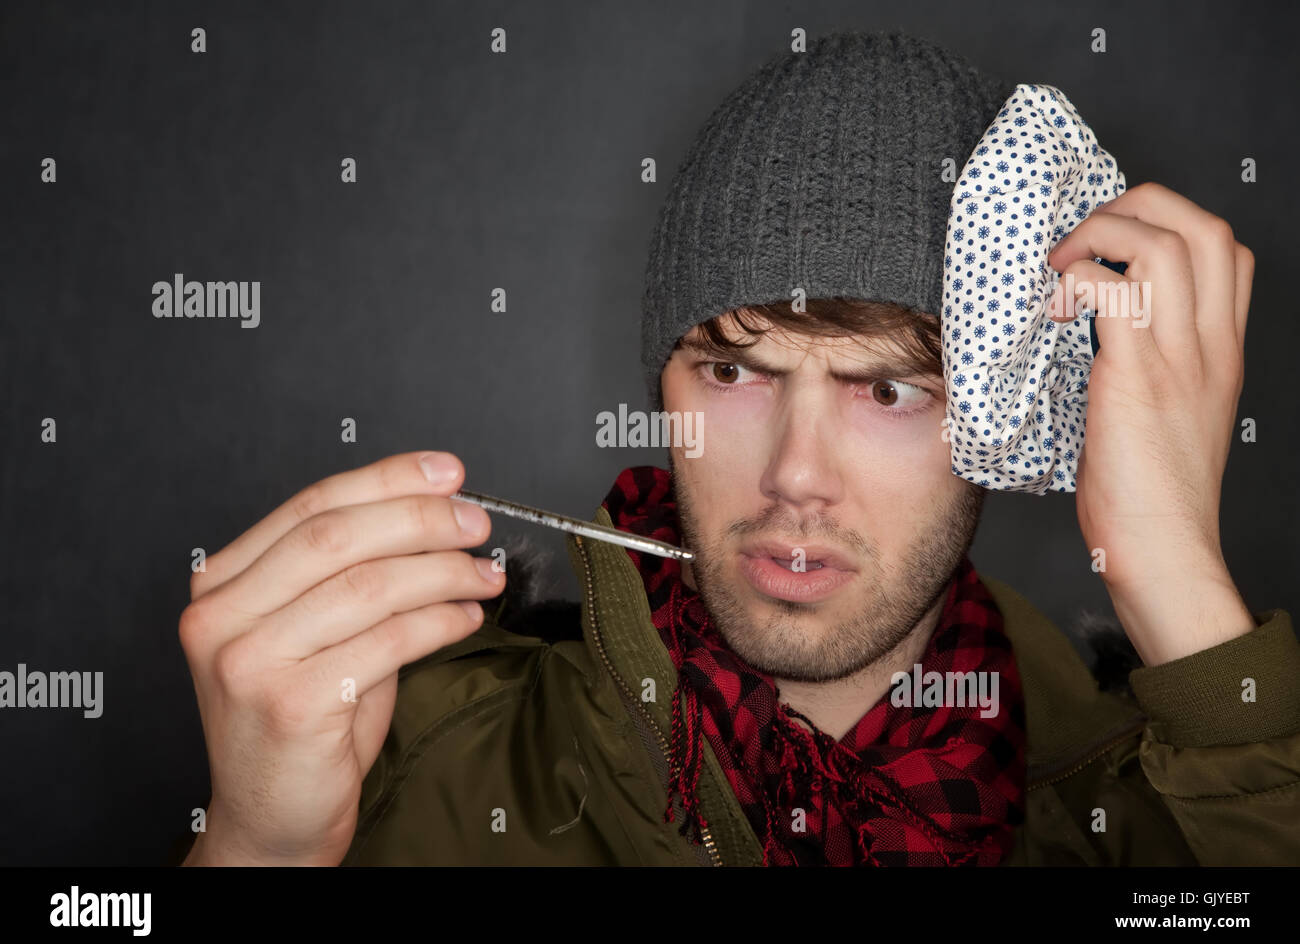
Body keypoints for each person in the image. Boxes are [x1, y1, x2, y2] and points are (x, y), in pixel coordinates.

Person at [176, 30, 1299, 866]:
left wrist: (1173, 575)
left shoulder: (1158, 811)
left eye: (892, 388)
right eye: (731, 372)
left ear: (1006, 424)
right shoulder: (408, 763)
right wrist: (253, 852)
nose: (794, 474)